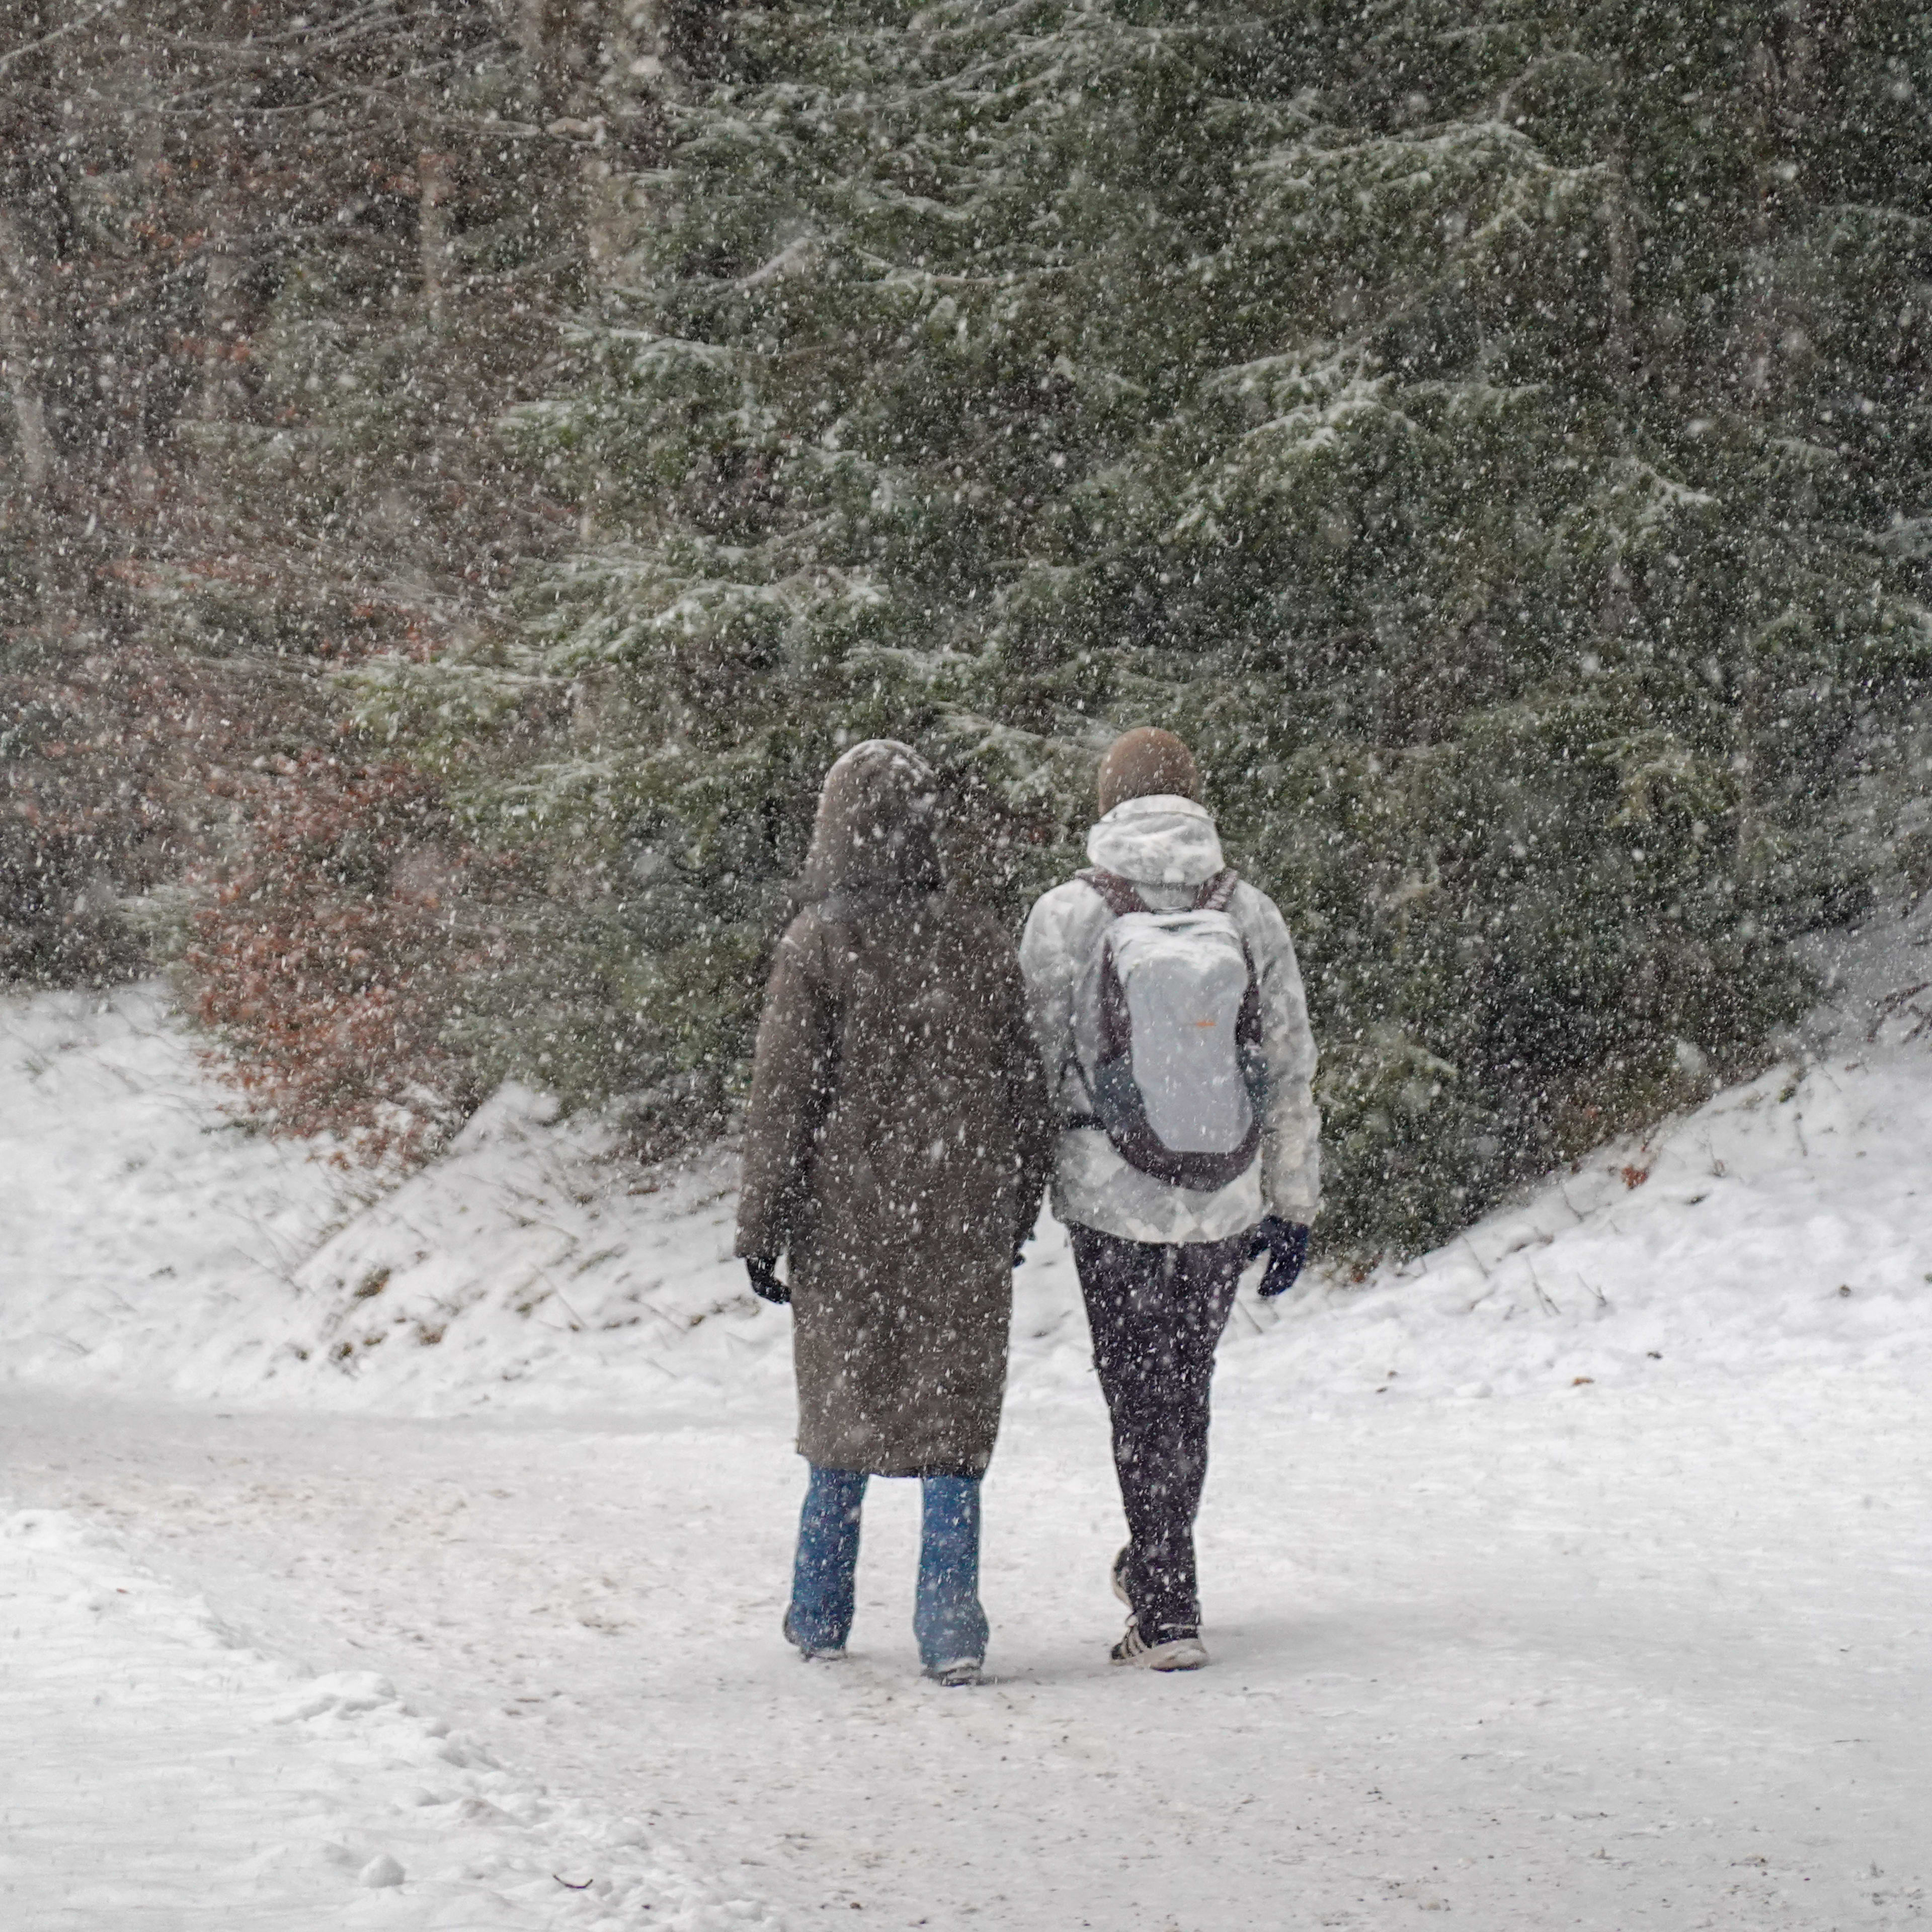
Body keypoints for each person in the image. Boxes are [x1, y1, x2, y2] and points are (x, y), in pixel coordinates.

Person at [736, 740, 1055, 1686]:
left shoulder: (817, 943)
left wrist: (764, 1227)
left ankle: (820, 1607)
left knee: (844, 1411)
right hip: (961, 1213)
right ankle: (950, 1622)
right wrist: (1014, 1204)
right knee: (953, 1419)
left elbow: (782, 1096)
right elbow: (1023, 1091)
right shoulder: (978, 939)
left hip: (846, 1216)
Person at [1019, 728, 1320, 1671]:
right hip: (1222, 1195)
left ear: (1109, 803)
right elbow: (1290, 1068)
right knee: (1184, 1391)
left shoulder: (1068, 914)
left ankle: (1168, 1602)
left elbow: (1029, 1068)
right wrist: (1294, 1201)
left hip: (1110, 1199)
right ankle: (1162, 1576)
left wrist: (1017, 1200)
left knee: (1134, 1392)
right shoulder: (1252, 913)